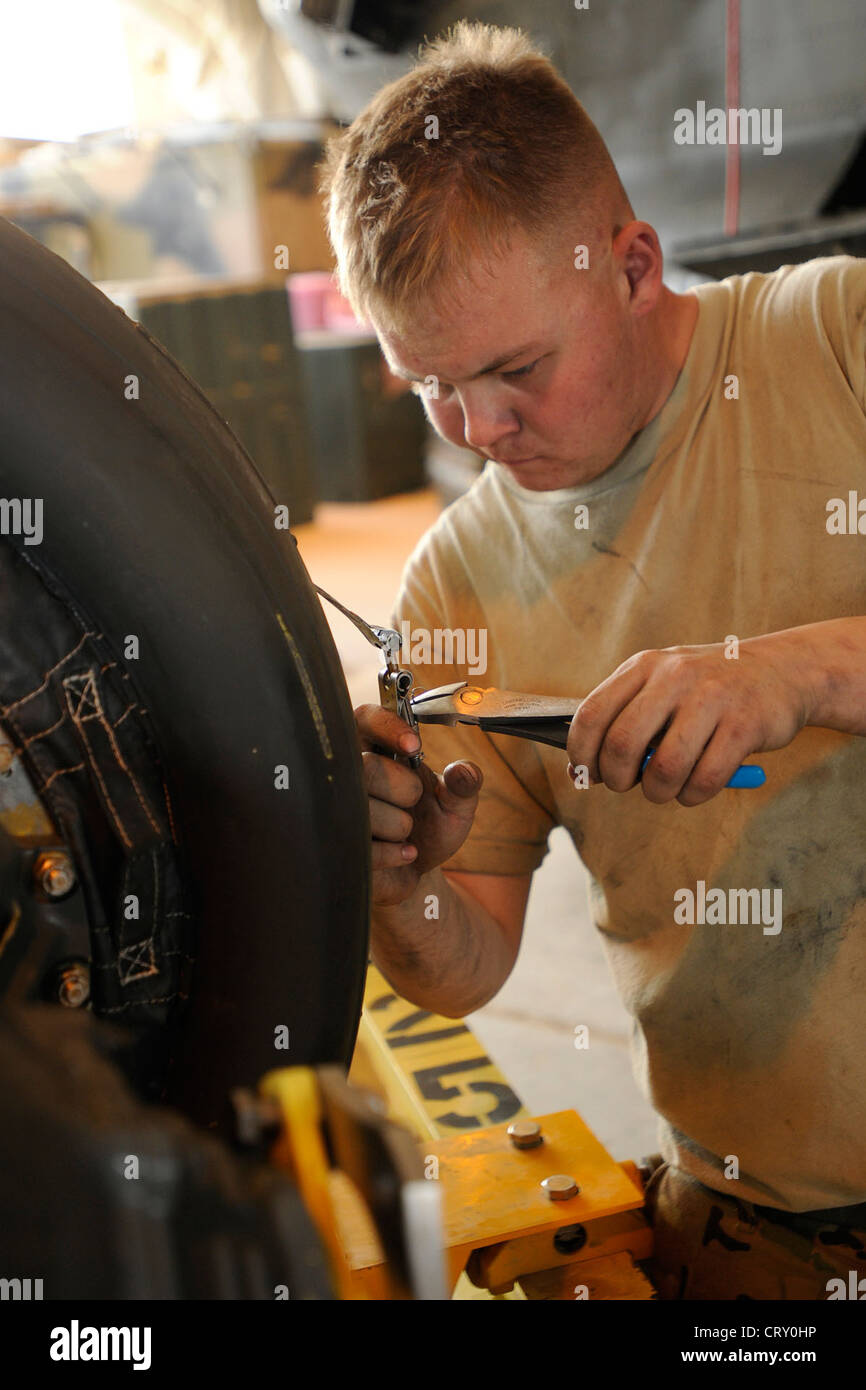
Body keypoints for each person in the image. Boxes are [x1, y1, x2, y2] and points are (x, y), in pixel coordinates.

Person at [320, 21, 866, 1299]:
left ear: (631, 264)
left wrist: (801, 673)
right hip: (757, 1229)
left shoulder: (838, 340)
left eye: (514, 369)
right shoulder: (454, 582)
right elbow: (466, 967)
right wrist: (399, 885)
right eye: (428, 387)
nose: (477, 430)